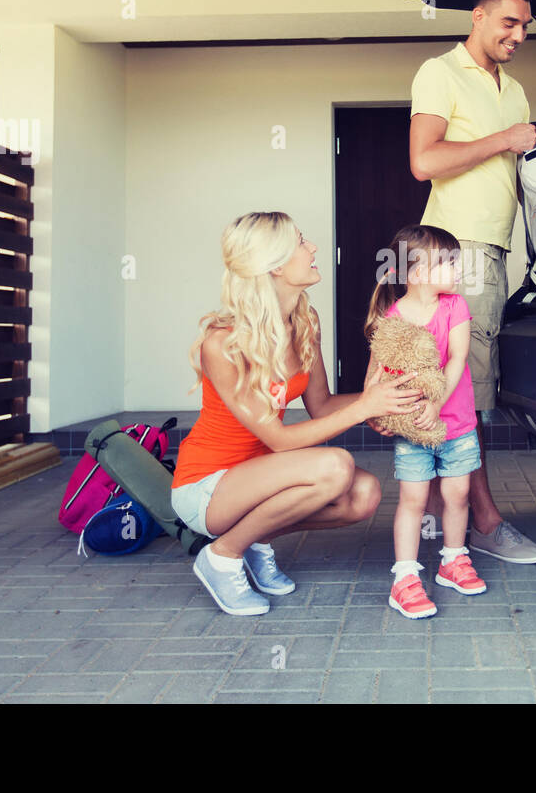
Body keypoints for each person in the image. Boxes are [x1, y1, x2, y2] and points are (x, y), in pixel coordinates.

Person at [173, 211, 422, 616]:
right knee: (335, 466)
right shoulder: (221, 344)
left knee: (363, 495)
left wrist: (382, 402)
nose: (313, 248)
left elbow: (322, 405)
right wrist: (362, 407)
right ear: (274, 265)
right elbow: (279, 439)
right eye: (302, 242)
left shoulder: (304, 320)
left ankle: (251, 539)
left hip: (262, 475)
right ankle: (221, 556)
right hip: (207, 485)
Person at [392, 0, 536, 564]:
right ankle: (481, 521)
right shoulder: (439, 72)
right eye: (508, 21)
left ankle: (444, 510)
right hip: (457, 251)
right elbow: (423, 159)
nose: (518, 34)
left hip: (495, 250)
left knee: (463, 383)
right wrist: (503, 139)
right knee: (466, 389)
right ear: (478, 17)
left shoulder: (514, 91)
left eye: (525, 26)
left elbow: (514, 176)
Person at [365, 224, 487, 619]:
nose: (457, 267)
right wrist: (376, 411)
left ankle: (453, 561)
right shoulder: (394, 318)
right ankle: (405, 579)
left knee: (457, 495)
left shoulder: (455, 307)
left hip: (457, 422)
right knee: (414, 501)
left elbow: (455, 359)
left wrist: (436, 403)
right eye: (447, 261)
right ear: (417, 273)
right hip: (411, 427)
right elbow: (374, 376)